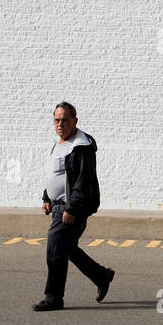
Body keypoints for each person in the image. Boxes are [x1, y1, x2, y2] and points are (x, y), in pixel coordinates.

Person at [32, 102, 115, 311]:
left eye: (65, 120)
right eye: (57, 120)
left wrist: (71, 208)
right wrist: (46, 197)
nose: (60, 124)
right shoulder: (59, 143)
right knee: (66, 248)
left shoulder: (81, 146)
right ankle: (101, 276)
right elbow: (56, 174)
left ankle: (53, 298)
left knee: (54, 249)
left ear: (75, 121)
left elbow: (83, 180)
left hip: (70, 208)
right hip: (58, 206)